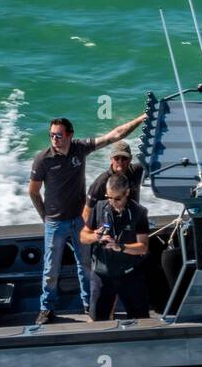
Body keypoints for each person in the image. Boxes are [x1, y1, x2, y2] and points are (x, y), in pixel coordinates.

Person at [30, 113, 146, 323]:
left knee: (85, 265)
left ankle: (87, 304)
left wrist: (142, 119)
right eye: (51, 135)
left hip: (79, 220)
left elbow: (114, 135)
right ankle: (46, 308)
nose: (54, 139)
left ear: (70, 135)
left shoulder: (80, 148)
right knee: (50, 269)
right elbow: (33, 192)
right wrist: (44, 217)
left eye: (58, 135)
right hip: (54, 222)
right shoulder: (42, 159)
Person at [79, 173, 151, 321]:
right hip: (102, 274)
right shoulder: (99, 207)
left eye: (117, 198)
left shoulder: (139, 212)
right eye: (109, 197)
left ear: (127, 193)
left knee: (141, 319)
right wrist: (95, 236)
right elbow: (83, 236)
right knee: (97, 320)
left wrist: (121, 247)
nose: (113, 202)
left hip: (129, 274)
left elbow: (143, 247)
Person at [82, 140, 144, 226]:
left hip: (132, 223)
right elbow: (87, 211)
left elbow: (155, 163)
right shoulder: (101, 182)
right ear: (111, 159)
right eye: (116, 158)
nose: (120, 162)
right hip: (109, 226)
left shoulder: (137, 171)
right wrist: (87, 234)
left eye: (124, 158)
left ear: (130, 159)